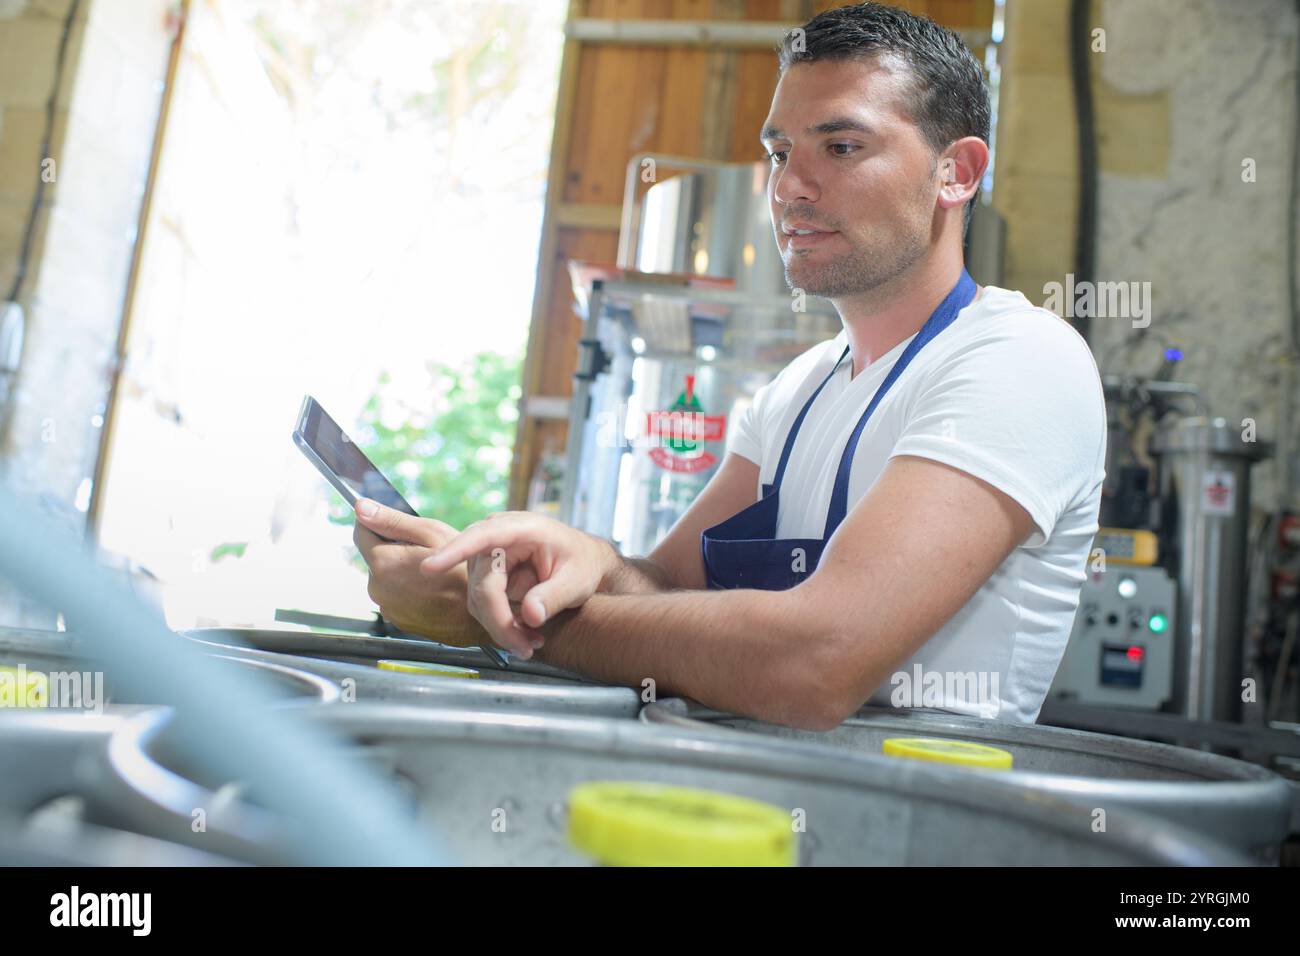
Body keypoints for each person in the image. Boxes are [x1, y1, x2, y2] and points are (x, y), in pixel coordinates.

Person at [354, 2, 1106, 729]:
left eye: (840, 148)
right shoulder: (800, 389)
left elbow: (817, 663)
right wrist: (567, 567)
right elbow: (664, 588)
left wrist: (499, 626)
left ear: (957, 172)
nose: (787, 188)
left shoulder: (1021, 361)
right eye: (780, 153)